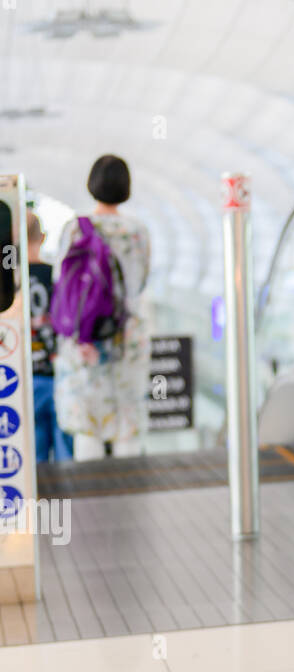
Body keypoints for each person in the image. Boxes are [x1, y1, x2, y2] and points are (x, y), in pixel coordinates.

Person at [54, 155, 151, 460]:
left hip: (86, 336)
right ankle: (129, 495)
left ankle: (91, 498)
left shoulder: (75, 229)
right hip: (127, 335)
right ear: (126, 187)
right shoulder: (137, 231)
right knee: (127, 420)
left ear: (92, 184)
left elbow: (62, 281)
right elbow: (140, 282)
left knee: (89, 424)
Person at [27, 210, 73, 464]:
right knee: (66, 448)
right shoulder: (56, 276)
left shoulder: (12, 282)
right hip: (59, 372)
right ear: (43, 237)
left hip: (24, 376)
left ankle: (42, 501)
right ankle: (72, 500)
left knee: (35, 449)